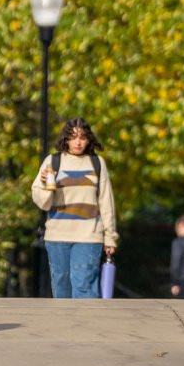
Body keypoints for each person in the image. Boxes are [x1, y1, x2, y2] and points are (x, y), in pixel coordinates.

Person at [31, 117, 118, 299]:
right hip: (57, 235)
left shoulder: (97, 163)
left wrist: (110, 236)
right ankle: (66, 327)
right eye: (73, 137)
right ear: (66, 139)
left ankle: (88, 326)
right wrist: (49, 186)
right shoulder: (52, 161)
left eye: (83, 137)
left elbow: (106, 201)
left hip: (89, 235)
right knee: (61, 288)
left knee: (83, 286)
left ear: (89, 140)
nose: (78, 142)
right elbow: (43, 202)